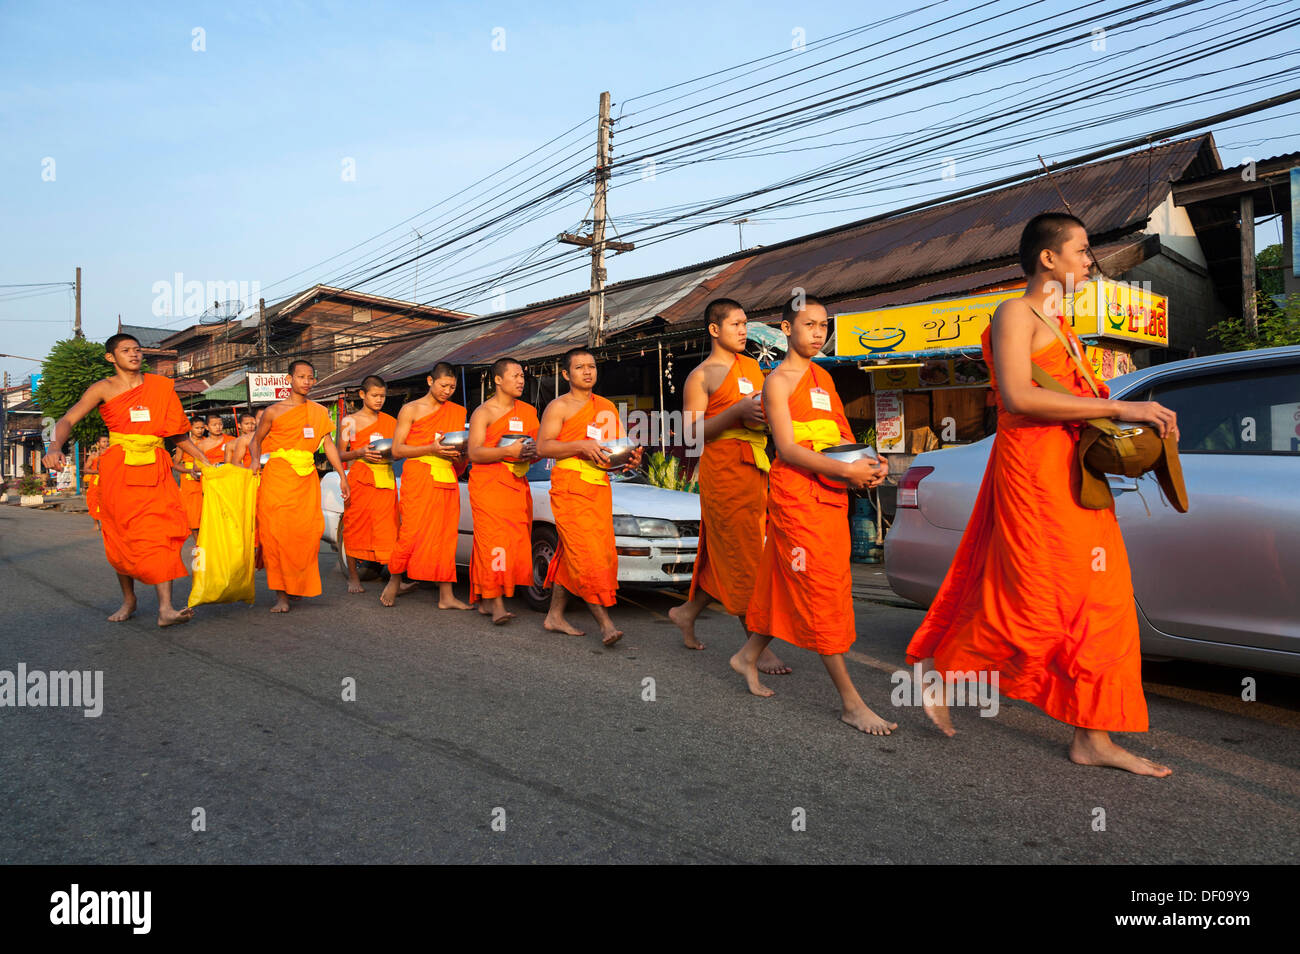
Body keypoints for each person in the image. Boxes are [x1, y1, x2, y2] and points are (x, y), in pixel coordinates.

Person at [905, 212, 1179, 777]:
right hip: (1033, 479)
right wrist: (1121, 406)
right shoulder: (1014, 314)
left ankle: (1093, 737)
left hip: (1078, 482)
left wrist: (1138, 433)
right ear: (1047, 258)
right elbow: (1019, 397)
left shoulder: (1065, 330)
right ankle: (940, 669)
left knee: (1104, 607)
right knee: (1035, 600)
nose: (1088, 261)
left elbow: (1080, 406)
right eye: (1080, 250)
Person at [735, 295, 895, 736]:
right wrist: (847, 469)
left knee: (792, 581)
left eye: (824, 325)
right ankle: (851, 702)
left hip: (832, 493)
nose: (819, 332)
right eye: (809, 324)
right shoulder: (777, 382)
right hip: (798, 495)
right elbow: (786, 449)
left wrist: (872, 462)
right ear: (787, 330)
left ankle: (747, 655)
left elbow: (842, 436)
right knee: (820, 589)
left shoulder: (824, 376)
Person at [41, 333, 207, 626]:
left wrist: (204, 460)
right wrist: (53, 447)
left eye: (138, 350)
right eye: (126, 350)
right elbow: (68, 419)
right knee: (122, 533)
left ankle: (166, 608)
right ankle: (129, 599)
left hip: (156, 466)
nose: (134, 354)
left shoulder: (160, 386)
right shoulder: (103, 388)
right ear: (111, 357)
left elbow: (177, 433)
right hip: (120, 470)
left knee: (161, 533)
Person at [669, 298, 791, 676]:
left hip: (757, 465)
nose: (743, 330)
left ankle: (686, 612)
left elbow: (767, 408)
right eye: (736, 324)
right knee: (746, 556)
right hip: (723, 472)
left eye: (745, 323)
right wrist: (735, 413)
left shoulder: (754, 367)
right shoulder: (701, 376)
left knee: (735, 553)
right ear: (714, 329)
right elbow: (690, 432)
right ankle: (755, 644)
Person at [536, 347, 642, 646]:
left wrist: (630, 460)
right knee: (586, 555)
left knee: (581, 552)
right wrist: (580, 445)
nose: (587, 371)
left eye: (592, 366)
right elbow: (544, 447)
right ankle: (605, 623)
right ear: (567, 374)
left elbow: (617, 450)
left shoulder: (606, 406)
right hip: (571, 486)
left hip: (598, 487)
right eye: (580, 367)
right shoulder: (559, 407)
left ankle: (554, 615)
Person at [250, 360, 349, 613]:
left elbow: (327, 445)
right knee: (277, 537)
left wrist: (342, 475)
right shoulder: (274, 411)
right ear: (289, 379)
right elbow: (256, 441)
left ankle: (296, 583)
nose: (307, 381)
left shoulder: (318, 411)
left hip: (306, 479)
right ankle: (281, 595)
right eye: (301, 377)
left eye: (310, 377)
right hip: (279, 479)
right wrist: (253, 462)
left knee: (305, 535)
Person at [380, 362, 469, 609]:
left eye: (452, 387)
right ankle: (395, 579)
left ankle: (446, 595)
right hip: (419, 475)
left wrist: (464, 455)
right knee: (410, 532)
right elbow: (397, 450)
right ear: (430, 381)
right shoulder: (411, 409)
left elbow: (458, 450)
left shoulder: (457, 411)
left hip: (446, 476)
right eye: (443, 385)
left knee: (446, 535)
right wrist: (430, 448)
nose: (447, 391)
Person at [467, 357, 540, 624]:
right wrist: (507, 451)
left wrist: (530, 453)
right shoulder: (483, 413)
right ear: (498, 380)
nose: (521, 380)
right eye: (515, 376)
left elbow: (537, 449)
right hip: (488, 486)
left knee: (510, 543)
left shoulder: (529, 412)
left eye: (523, 376)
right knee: (492, 542)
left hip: (517, 485)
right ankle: (496, 602)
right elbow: (474, 452)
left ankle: (488, 598)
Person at [338, 376, 399, 595]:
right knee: (355, 526)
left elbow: (398, 450)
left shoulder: (391, 422)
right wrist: (360, 452)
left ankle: (395, 580)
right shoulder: (349, 422)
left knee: (390, 529)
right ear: (363, 395)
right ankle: (353, 577)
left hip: (385, 479)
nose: (379, 400)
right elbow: (339, 453)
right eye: (375, 395)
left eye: (382, 396)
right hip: (361, 479)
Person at [172, 416, 207, 537]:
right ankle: (198, 548)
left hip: (205, 480)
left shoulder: (207, 442)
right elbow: (175, 464)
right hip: (189, 483)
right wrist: (188, 470)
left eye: (202, 427)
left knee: (206, 516)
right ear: (190, 428)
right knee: (193, 518)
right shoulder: (183, 444)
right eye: (197, 428)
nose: (200, 430)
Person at [84, 435, 110, 530]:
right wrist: (97, 471)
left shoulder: (111, 454)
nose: (106, 443)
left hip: (108, 480)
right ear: (98, 443)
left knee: (107, 502)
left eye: (107, 441)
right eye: (103, 441)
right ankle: (96, 523)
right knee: (94, 501)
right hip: (96, 481)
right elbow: (86, 469)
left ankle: (107, 523)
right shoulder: (93, 456)